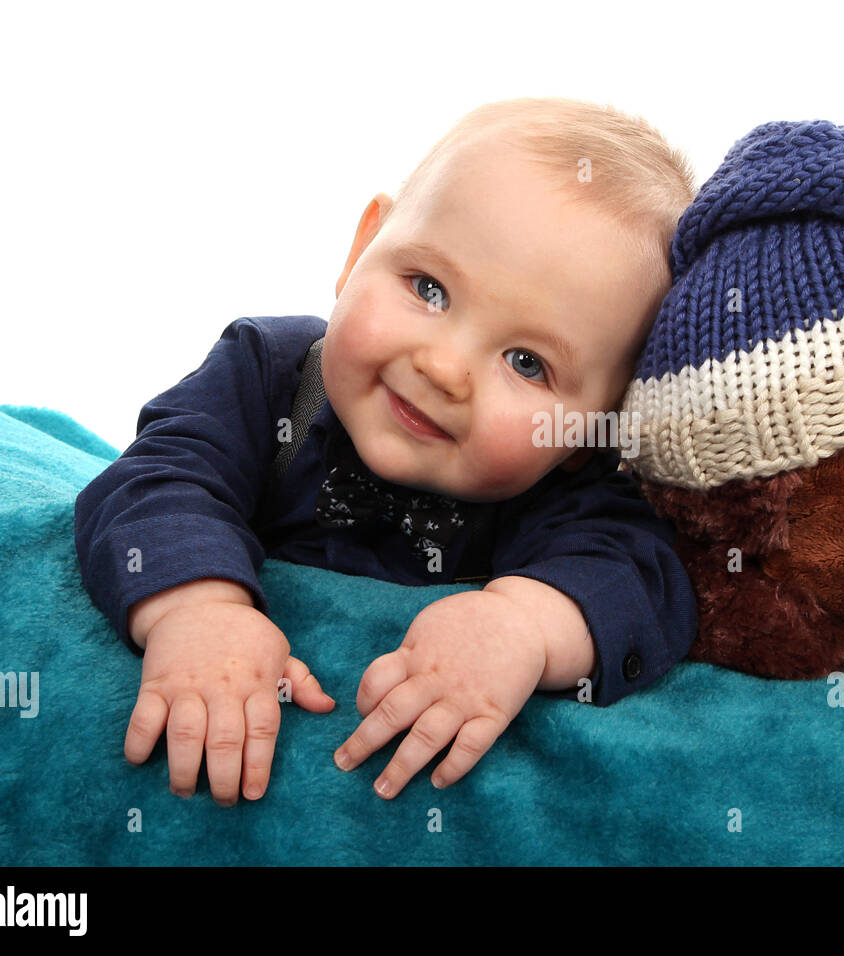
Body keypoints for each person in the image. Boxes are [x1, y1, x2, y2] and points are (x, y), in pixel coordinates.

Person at [73, 96, 699, 806]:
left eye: (526, 362)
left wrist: (523, 623)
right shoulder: (270, 373)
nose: (444, 368)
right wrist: (199, 609)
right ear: (360, 248)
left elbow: (644, 575)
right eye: (429, 289)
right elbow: (157, 478)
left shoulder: (562, 489)